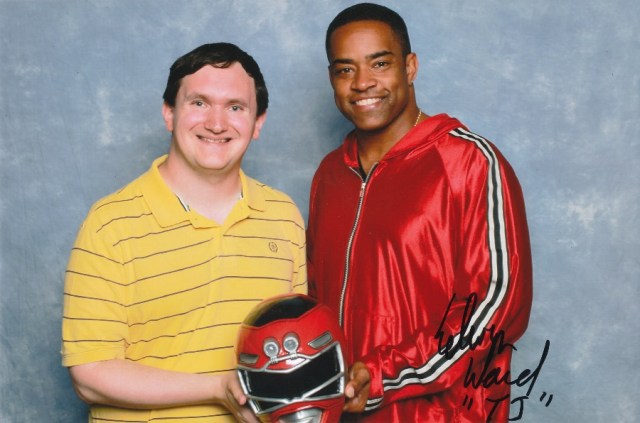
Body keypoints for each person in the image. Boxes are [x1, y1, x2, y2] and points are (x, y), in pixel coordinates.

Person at [307, 3, 532, 422]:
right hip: (345, 412)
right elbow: (315, 296)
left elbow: (494, 308)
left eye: (380, 63)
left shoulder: (469, 162)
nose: (362, 82)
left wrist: (385, 376)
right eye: (345, 69)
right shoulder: (330, 175)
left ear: (410, 67)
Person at [61, 42, 307, 423]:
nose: (216, 123)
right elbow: (89, 376)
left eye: (235, 107)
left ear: (258, 123)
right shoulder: (110, 225)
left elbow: (293, 345)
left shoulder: (283, 216)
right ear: (169, 113)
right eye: (199, 103)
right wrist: (216, 388)